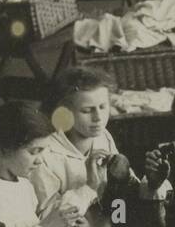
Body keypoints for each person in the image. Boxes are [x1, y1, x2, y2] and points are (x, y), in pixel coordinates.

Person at [31, 67, 132, 215]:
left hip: (100, 220)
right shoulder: (46, 154)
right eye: (87, 110)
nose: (98, 118)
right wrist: (90, 187)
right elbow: (46, 216)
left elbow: (122, 193)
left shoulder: (102, 136)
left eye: (103, 107)